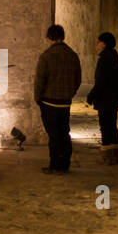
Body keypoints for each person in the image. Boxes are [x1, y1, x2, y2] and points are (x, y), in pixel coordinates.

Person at [33, 23, 82, 174]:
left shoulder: (46, 56)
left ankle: (54, 165)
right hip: (65, 102)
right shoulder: (72, 55)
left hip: (49, 102)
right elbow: (78, 79)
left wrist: (38, 98)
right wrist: (70, 93)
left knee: (53, 135)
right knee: (64, 133)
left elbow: (40, 80)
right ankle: (65, 165)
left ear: (50, 37)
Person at [87, 31, 118, 164]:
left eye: (99, 41)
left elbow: (101, 81)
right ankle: (115, 155)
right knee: (112, 125)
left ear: (105, 44)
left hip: (105, 98)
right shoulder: (114, 57)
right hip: (114, 97)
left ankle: (108, 156)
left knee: (105, 126)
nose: (97, 44)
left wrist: (91, 96)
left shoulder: (104, 59)